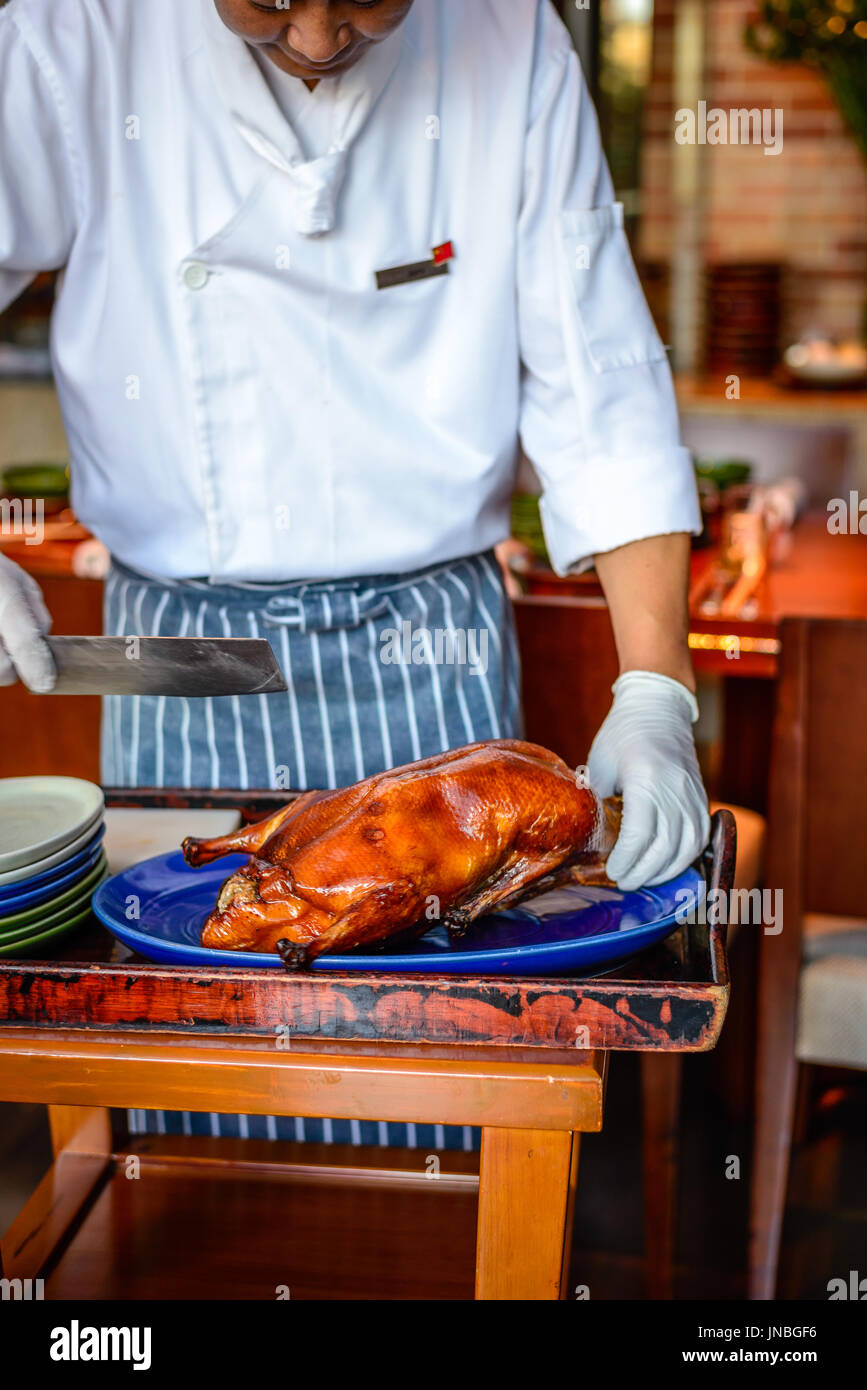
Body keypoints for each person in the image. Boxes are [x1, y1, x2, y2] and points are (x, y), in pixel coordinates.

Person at [0, 0, 709, 1148]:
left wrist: (656, 688)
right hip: (186, 664)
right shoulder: (72, 29)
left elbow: (604, 392)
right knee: (191, 1097)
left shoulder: (512, 39)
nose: (322, 37)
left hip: (434, 665)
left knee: (451, 1096)